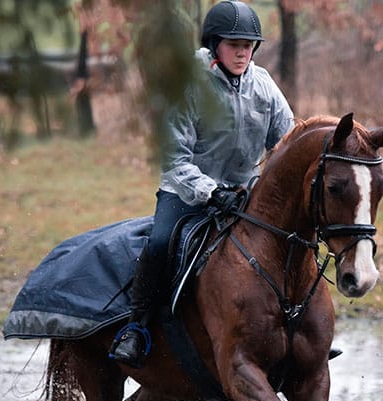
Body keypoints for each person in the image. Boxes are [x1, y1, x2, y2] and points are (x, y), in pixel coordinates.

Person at [109, 1, 294, 367]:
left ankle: (295, 330)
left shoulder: (264, 86)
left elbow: (286, 143)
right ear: (214, 44)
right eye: (233, 43)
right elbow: (176, 159)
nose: (242, 51)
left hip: (244, 195)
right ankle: (136, 327)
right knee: (161, 243)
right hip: (186, 192)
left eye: (248, 44)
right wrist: (211, 192)